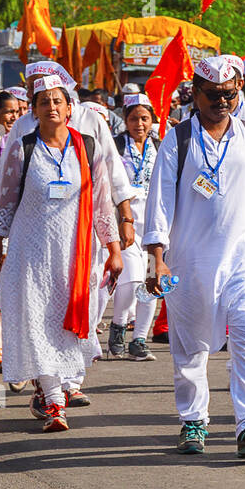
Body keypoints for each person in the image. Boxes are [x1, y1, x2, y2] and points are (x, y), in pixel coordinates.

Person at [144, 55, 245, 456]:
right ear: (196, 94)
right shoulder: (178, 138)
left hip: (243, 259)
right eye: (213, 94)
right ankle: (193, 421)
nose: (222, 101)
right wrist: (157, 257)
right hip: (190, 261)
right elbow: (160, 199)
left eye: (229, 94)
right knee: (190, 346)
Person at [0, 74, 122, 431]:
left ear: (70, 108)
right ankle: (56, 400)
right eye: (45, 102)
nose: (52, 107)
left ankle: (49, 391)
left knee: (64, 326)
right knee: (35, 322)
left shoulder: (87, 147)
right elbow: (6, 203)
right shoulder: (22, 147)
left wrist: (114, 249)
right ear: (35, 110)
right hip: (31, 253)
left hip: (75, 255)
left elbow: (103, 203)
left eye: (58, 101)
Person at [8, 61, 139, 409]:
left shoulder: (92, 126)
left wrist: (124, 219)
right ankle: (52, 387)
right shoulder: (23, 130)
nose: (48, 103)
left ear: (67, 98)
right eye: (38, 92)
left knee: (85, 307)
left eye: (54, 96)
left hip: (83, 243)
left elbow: (112, 177)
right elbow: (8, 192)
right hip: (36, 241)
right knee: (42, 311)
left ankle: (70, 379)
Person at [109, 93, 160, 361]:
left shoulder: (161, 147)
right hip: (125, 222)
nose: (139, 124)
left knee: (151, 284)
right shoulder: (116, 146)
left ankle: (139, 339)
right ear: (125, 120)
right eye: (133, 118)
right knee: (131, 281)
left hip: (153, 223)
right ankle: (118, 327)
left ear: (152, 119)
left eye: (144, 118)